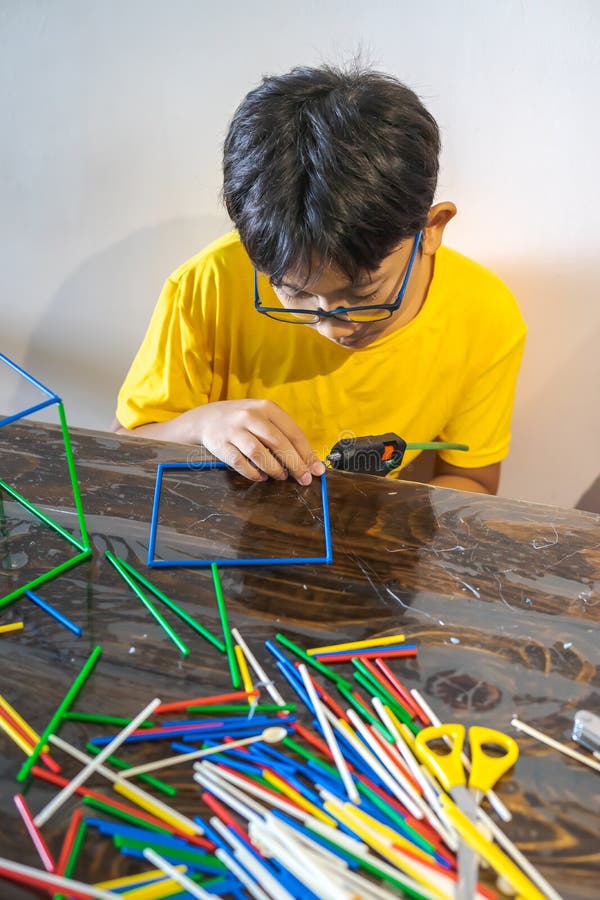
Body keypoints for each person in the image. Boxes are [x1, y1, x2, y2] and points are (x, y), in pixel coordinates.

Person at [114, 64, 526, 495]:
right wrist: (200, 425)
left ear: (432, 229)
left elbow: (472, 478)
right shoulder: (207, 286)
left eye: (364, 293)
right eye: (293, 292)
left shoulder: (483, 314)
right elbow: (126, 448)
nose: (330, 325)